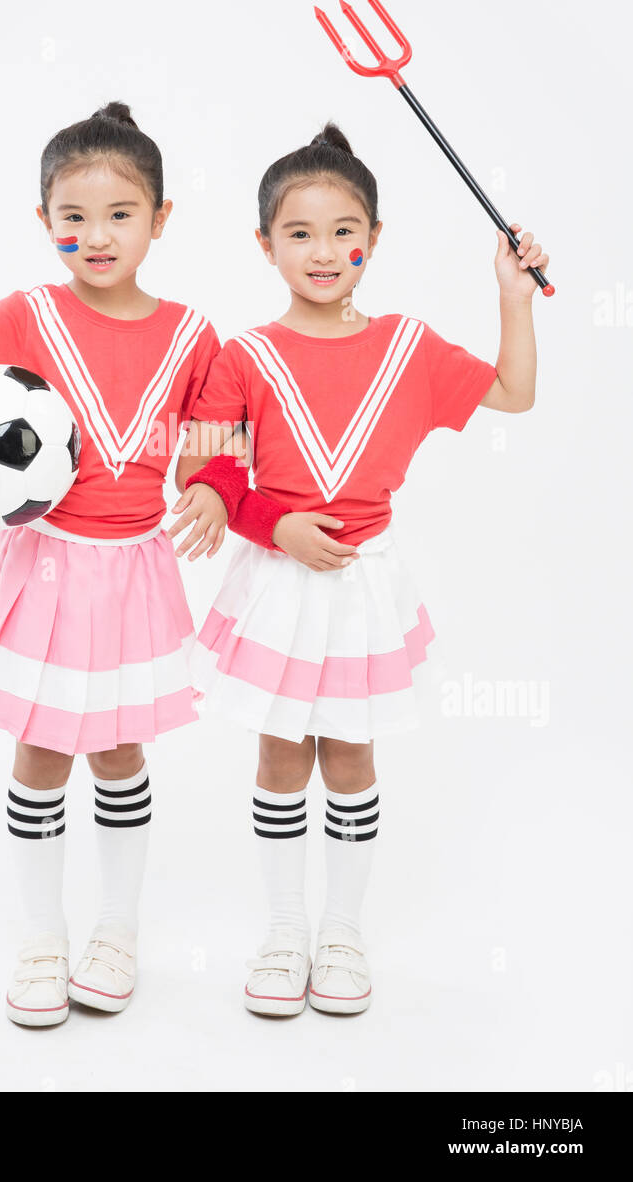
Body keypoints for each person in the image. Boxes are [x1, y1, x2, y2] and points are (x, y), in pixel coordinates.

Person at [168, 122, 548, 1016]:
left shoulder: (408, 345)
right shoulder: (243, 355)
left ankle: (342, 928)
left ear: (374, 239)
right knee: (280, 749)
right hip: (277, 579)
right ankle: (285, 926)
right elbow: (204, 466)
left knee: (348, 751)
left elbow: (515, 392)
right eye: (298, 233)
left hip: (362, 586)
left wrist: (514, 299)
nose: (324, 250)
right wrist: (266, 518)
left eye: (345, 230)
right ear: (265, 246)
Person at [0, 102, 220, 1026]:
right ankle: (42, 936)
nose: (95, 235)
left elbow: (218, 440)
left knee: (119, 746)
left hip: (135, 568)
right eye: (71, 216)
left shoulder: (195, 335)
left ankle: (117, 929)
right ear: (43, 223)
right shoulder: (25, 315)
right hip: (44, 564)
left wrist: (216, 488)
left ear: (160, 219)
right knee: (40, 750)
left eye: (120, 214)